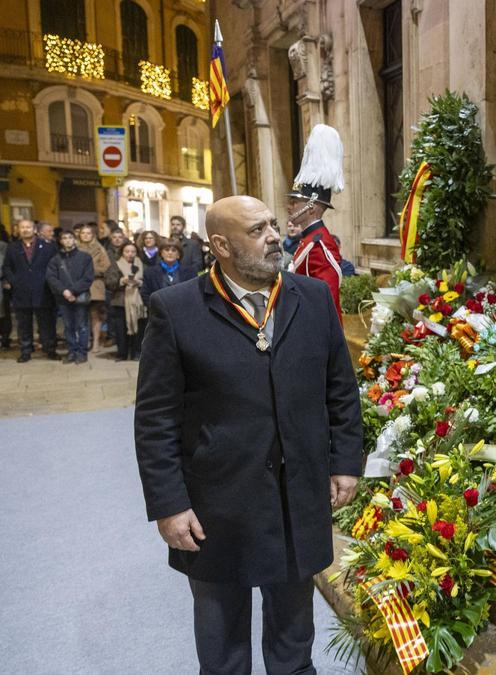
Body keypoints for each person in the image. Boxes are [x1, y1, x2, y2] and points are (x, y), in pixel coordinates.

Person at [135, 195, 362, 674]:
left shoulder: (312, 298)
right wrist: (169, 505)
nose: (275, 236)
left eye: (273, 225)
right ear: (221, 245)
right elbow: (155, 419)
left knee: (293, 640)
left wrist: (344, 462)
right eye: (257, 230)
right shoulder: (176, 310)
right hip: (219, 504)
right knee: (223, 649)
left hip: (294, 497)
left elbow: (340, 389)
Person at [286, 124, 346, 312]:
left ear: (311, 206)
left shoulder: (320, 246)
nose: (290, 207)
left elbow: (327, 304)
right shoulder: (309, 240)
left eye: (295, 202)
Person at [2, 219, 58, 362]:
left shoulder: (48, 247)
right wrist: (14, 281)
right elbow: (7, 267)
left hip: (43, 289)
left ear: (34, 230)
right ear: (18, 230)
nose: (25, 230)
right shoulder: (12, 247)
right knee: (24, 323)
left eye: (28, 227)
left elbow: (54, 266)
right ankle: (25, 350)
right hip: (21, 291)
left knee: (46, 322)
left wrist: (50, 281)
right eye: (22, 227)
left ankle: (49, 348)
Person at [45, 229, 94, 364]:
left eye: (70, 238)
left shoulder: (85, 257)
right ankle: (72, 352)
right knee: (68, 326)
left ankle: (82, 352)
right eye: (64, 238)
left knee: (82, 326)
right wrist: (64, 291)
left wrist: (72, 291)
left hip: (80, 296)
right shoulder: (55, 259)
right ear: (60, 241)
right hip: (63, 297)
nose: (67, 240)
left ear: (75, 239)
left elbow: (88, 277)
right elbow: (51, 277)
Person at [105, 241, 146, 360]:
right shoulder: (115, 265)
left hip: (139, 302)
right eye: (127, 251)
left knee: (139, 329)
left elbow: (148, 280)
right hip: (120, 301)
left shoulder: (141, 264)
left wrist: (140, 283)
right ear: (122, 252)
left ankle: (137, 352)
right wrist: (121, 281)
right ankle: (122, 353)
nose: (130, 254)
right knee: (121, 329)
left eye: (133, 251)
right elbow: (109, 282)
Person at [77, 223, 111, 352]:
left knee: (95, 314)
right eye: (83, 233)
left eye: (88, 233)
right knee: (80, 315)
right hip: (78, 285)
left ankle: (96, 341)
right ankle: (83, 340)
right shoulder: (74, 247)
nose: (85, 236)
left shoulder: (99, 248)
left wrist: (90, 270)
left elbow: (106, 266)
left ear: (93, 235)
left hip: (95, 285)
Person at [0, 221, 10, 350]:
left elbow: (7, 266)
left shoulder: (3, 247)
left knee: (3, 313)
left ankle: (5, 337)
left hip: (1, 284)